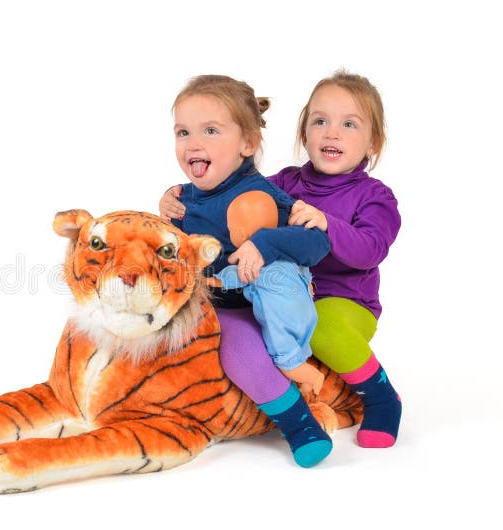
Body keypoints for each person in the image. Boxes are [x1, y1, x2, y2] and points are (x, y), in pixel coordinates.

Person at [160, 70, 402, 448]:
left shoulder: (375, 197)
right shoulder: (283, 184)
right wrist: (173, 200)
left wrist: (327, 224)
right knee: (233, 340)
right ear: (304, 133)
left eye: (349, 124)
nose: (331, 133)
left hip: (340, 302)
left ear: (373, 143)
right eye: (320, 121)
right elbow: (233, 192)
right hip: (271, 298)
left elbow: (371, 249)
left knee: (323, 329)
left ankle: (382, 397)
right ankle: (290, 416)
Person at [168, 74, 332, 467]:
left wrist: (266, 242)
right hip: (211, 300)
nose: (193, 143)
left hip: (259, 304)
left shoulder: (261, 194)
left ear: (248, 143)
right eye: (183, 132)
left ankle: (298, 422)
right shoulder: (182, 200)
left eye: (210, 131)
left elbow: (317, 245)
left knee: (238, 349)